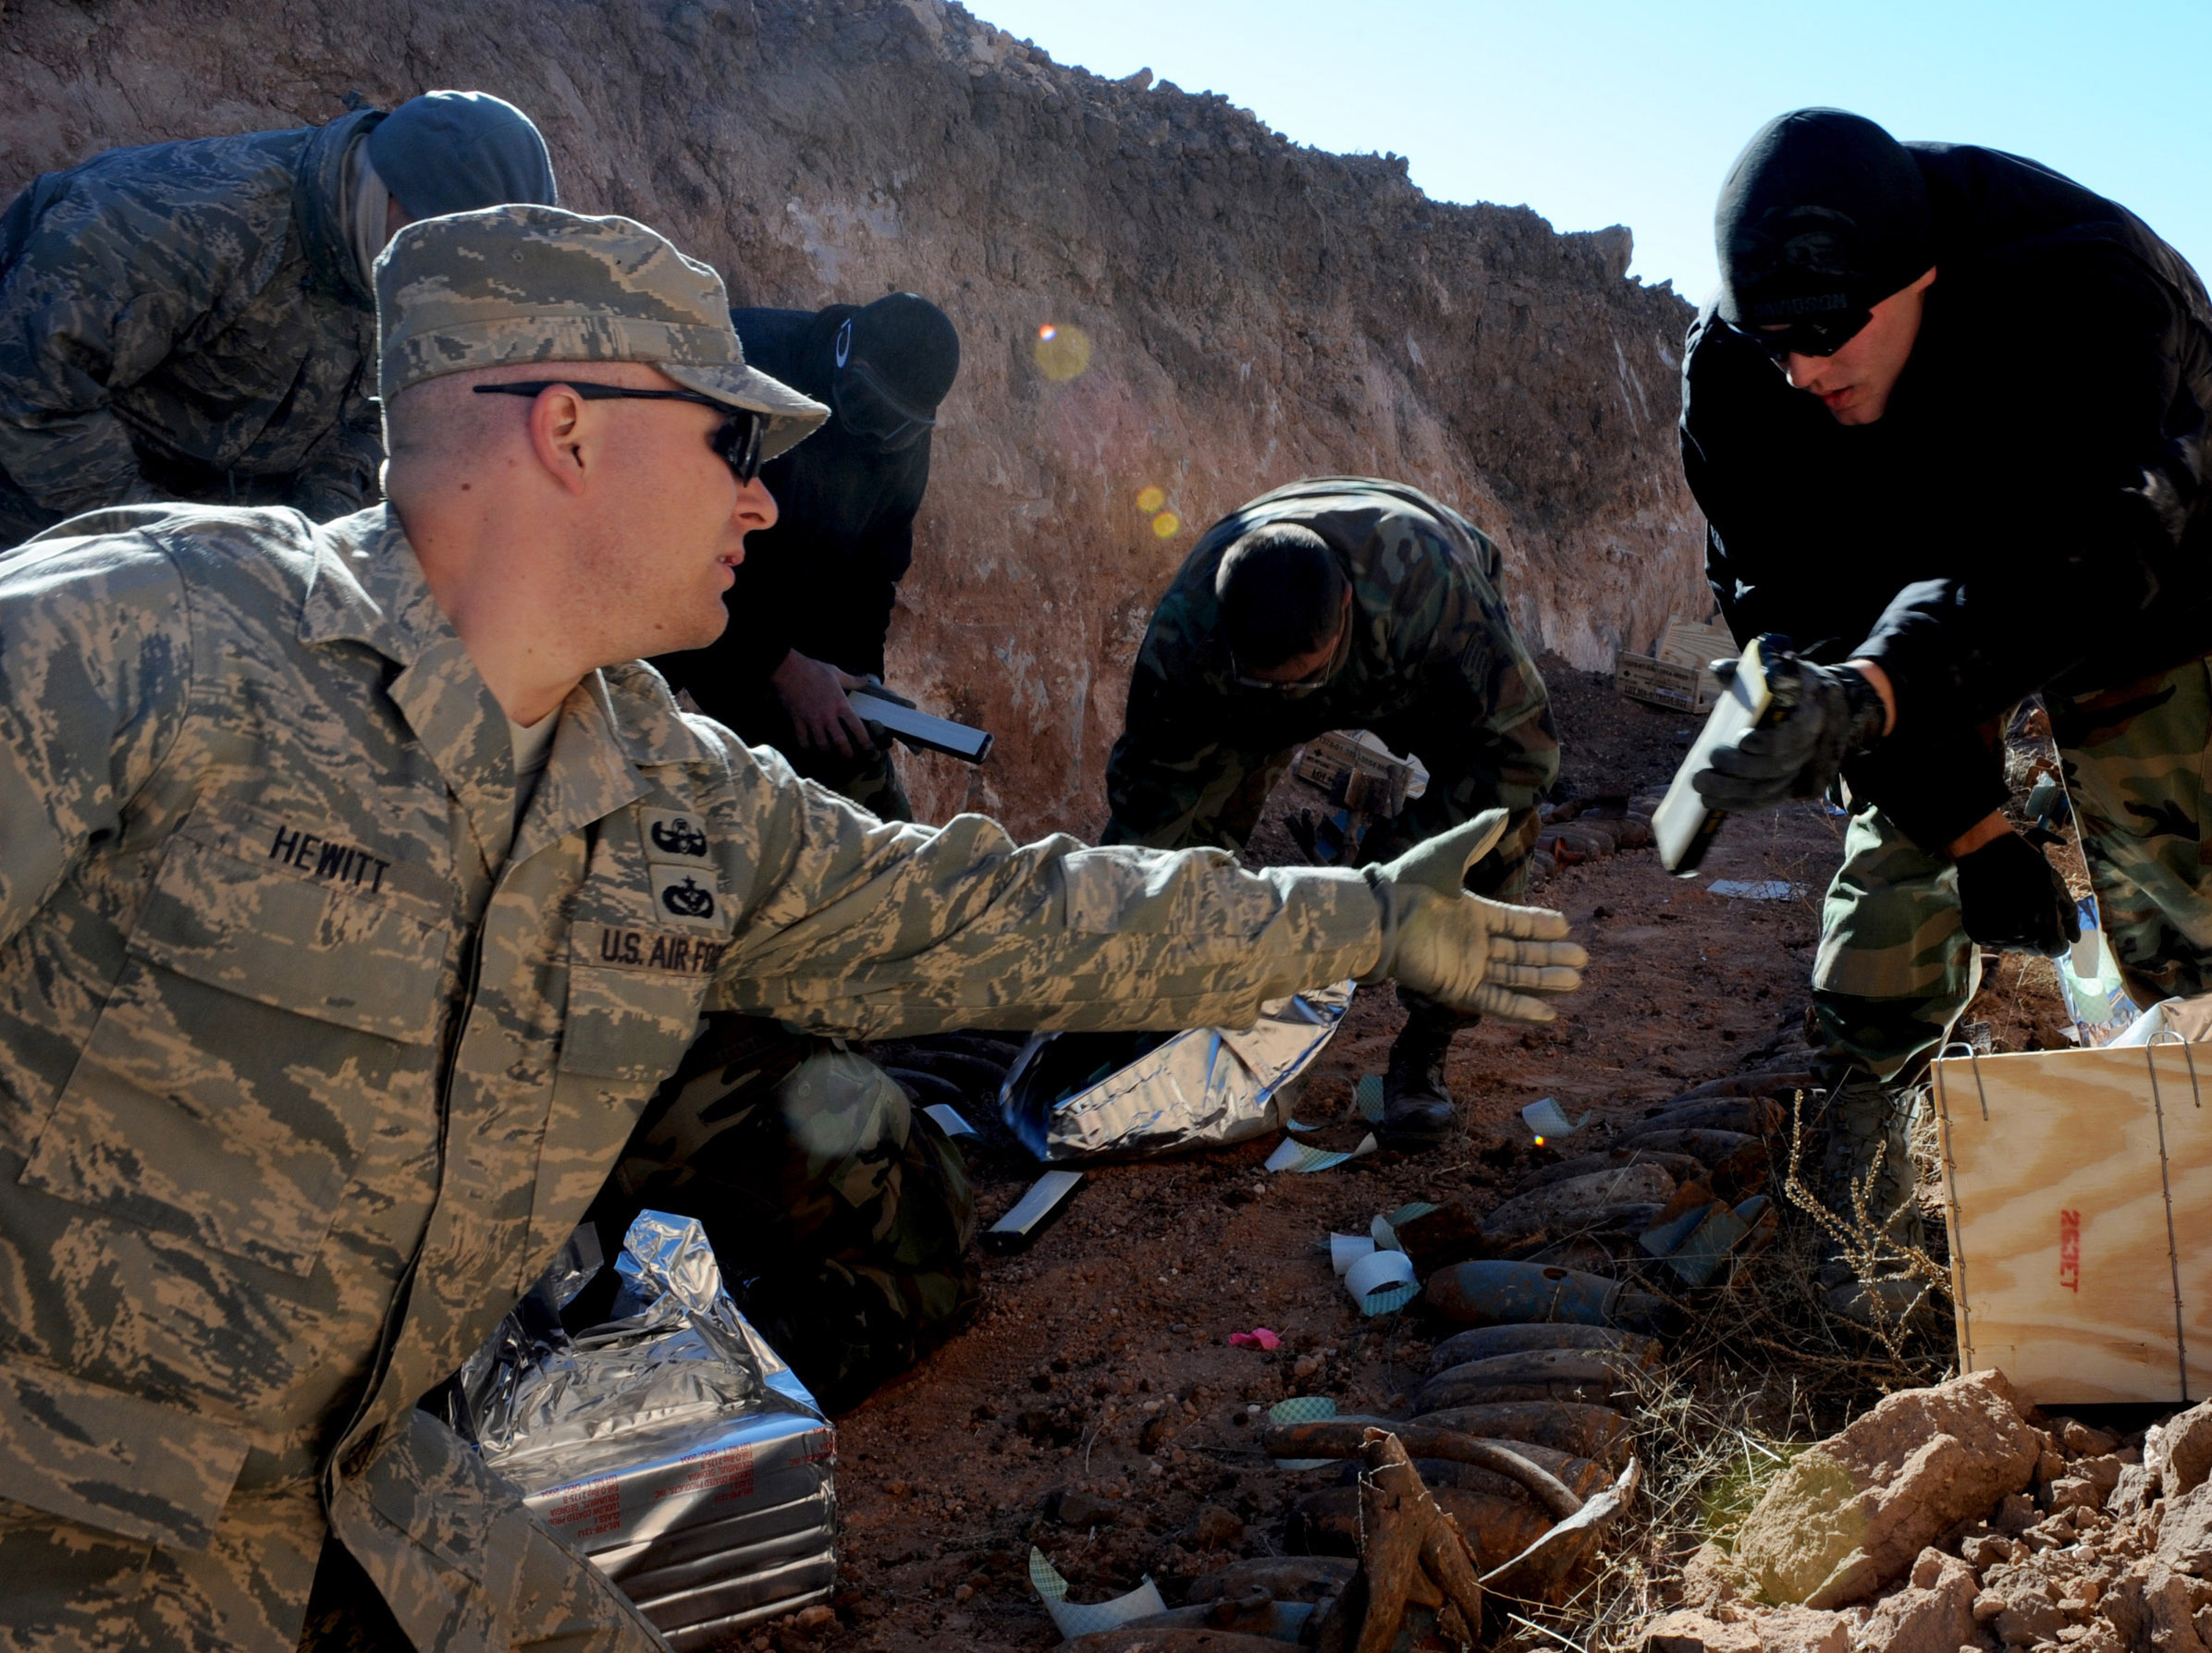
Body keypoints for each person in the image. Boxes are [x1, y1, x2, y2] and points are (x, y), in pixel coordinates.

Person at [0, 204, 1584, 1651]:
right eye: (730, 438)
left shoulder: (670, 787)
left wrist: (1366, 914)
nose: (766, 495)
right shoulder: (143, 643)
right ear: (564, 429)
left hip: (350, 1503)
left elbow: (996, 908)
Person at [1677, 109, 2212, 1288]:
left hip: (2145, 586)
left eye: (1828, 331)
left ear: (1921, 279)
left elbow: (2087, 560)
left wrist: (1885, 680)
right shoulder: (1742, 379)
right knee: (1892, 869)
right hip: (1912, 613)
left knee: (2178, 883)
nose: (1801, 368)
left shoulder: (2090, 288)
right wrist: (1963, 822)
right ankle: (1855, 1191)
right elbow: (1791, 607)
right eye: (1771, 339)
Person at [1102, 477, 1561, 1146]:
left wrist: (1397, 865)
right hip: (1249, 685)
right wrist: (1110, 972)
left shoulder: (1434, 596)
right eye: (1272, 686)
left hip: (1410, 665)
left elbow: (1524, 760)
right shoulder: (1188, 637)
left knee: (1491, 843)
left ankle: (1424, 1052)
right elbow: (1149, 818)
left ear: (1345, 605)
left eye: (1307, 681)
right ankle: (1172, 1022)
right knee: (1188, 848)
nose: (1296, 700)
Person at [0, 90, 559, 544]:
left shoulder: (411, 262)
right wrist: (165, 553)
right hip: (49, 481)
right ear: (393, 200)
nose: (464, 288)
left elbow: (377, 408)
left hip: (221, 503)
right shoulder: (170, 221)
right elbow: (34, 402)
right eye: (460, 259)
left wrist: (320, 527)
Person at [653, 293, 958, 822]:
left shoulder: (900, 430)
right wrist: (781, 666)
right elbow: (663, 545)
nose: (875, 434)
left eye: (898, 426)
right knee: (623, 767)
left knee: (873, 821)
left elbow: (873, 574)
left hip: (774, 637)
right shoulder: (746, 359)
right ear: (842, 354)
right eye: (865, 407)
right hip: (666, 613)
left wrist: (858, 689)